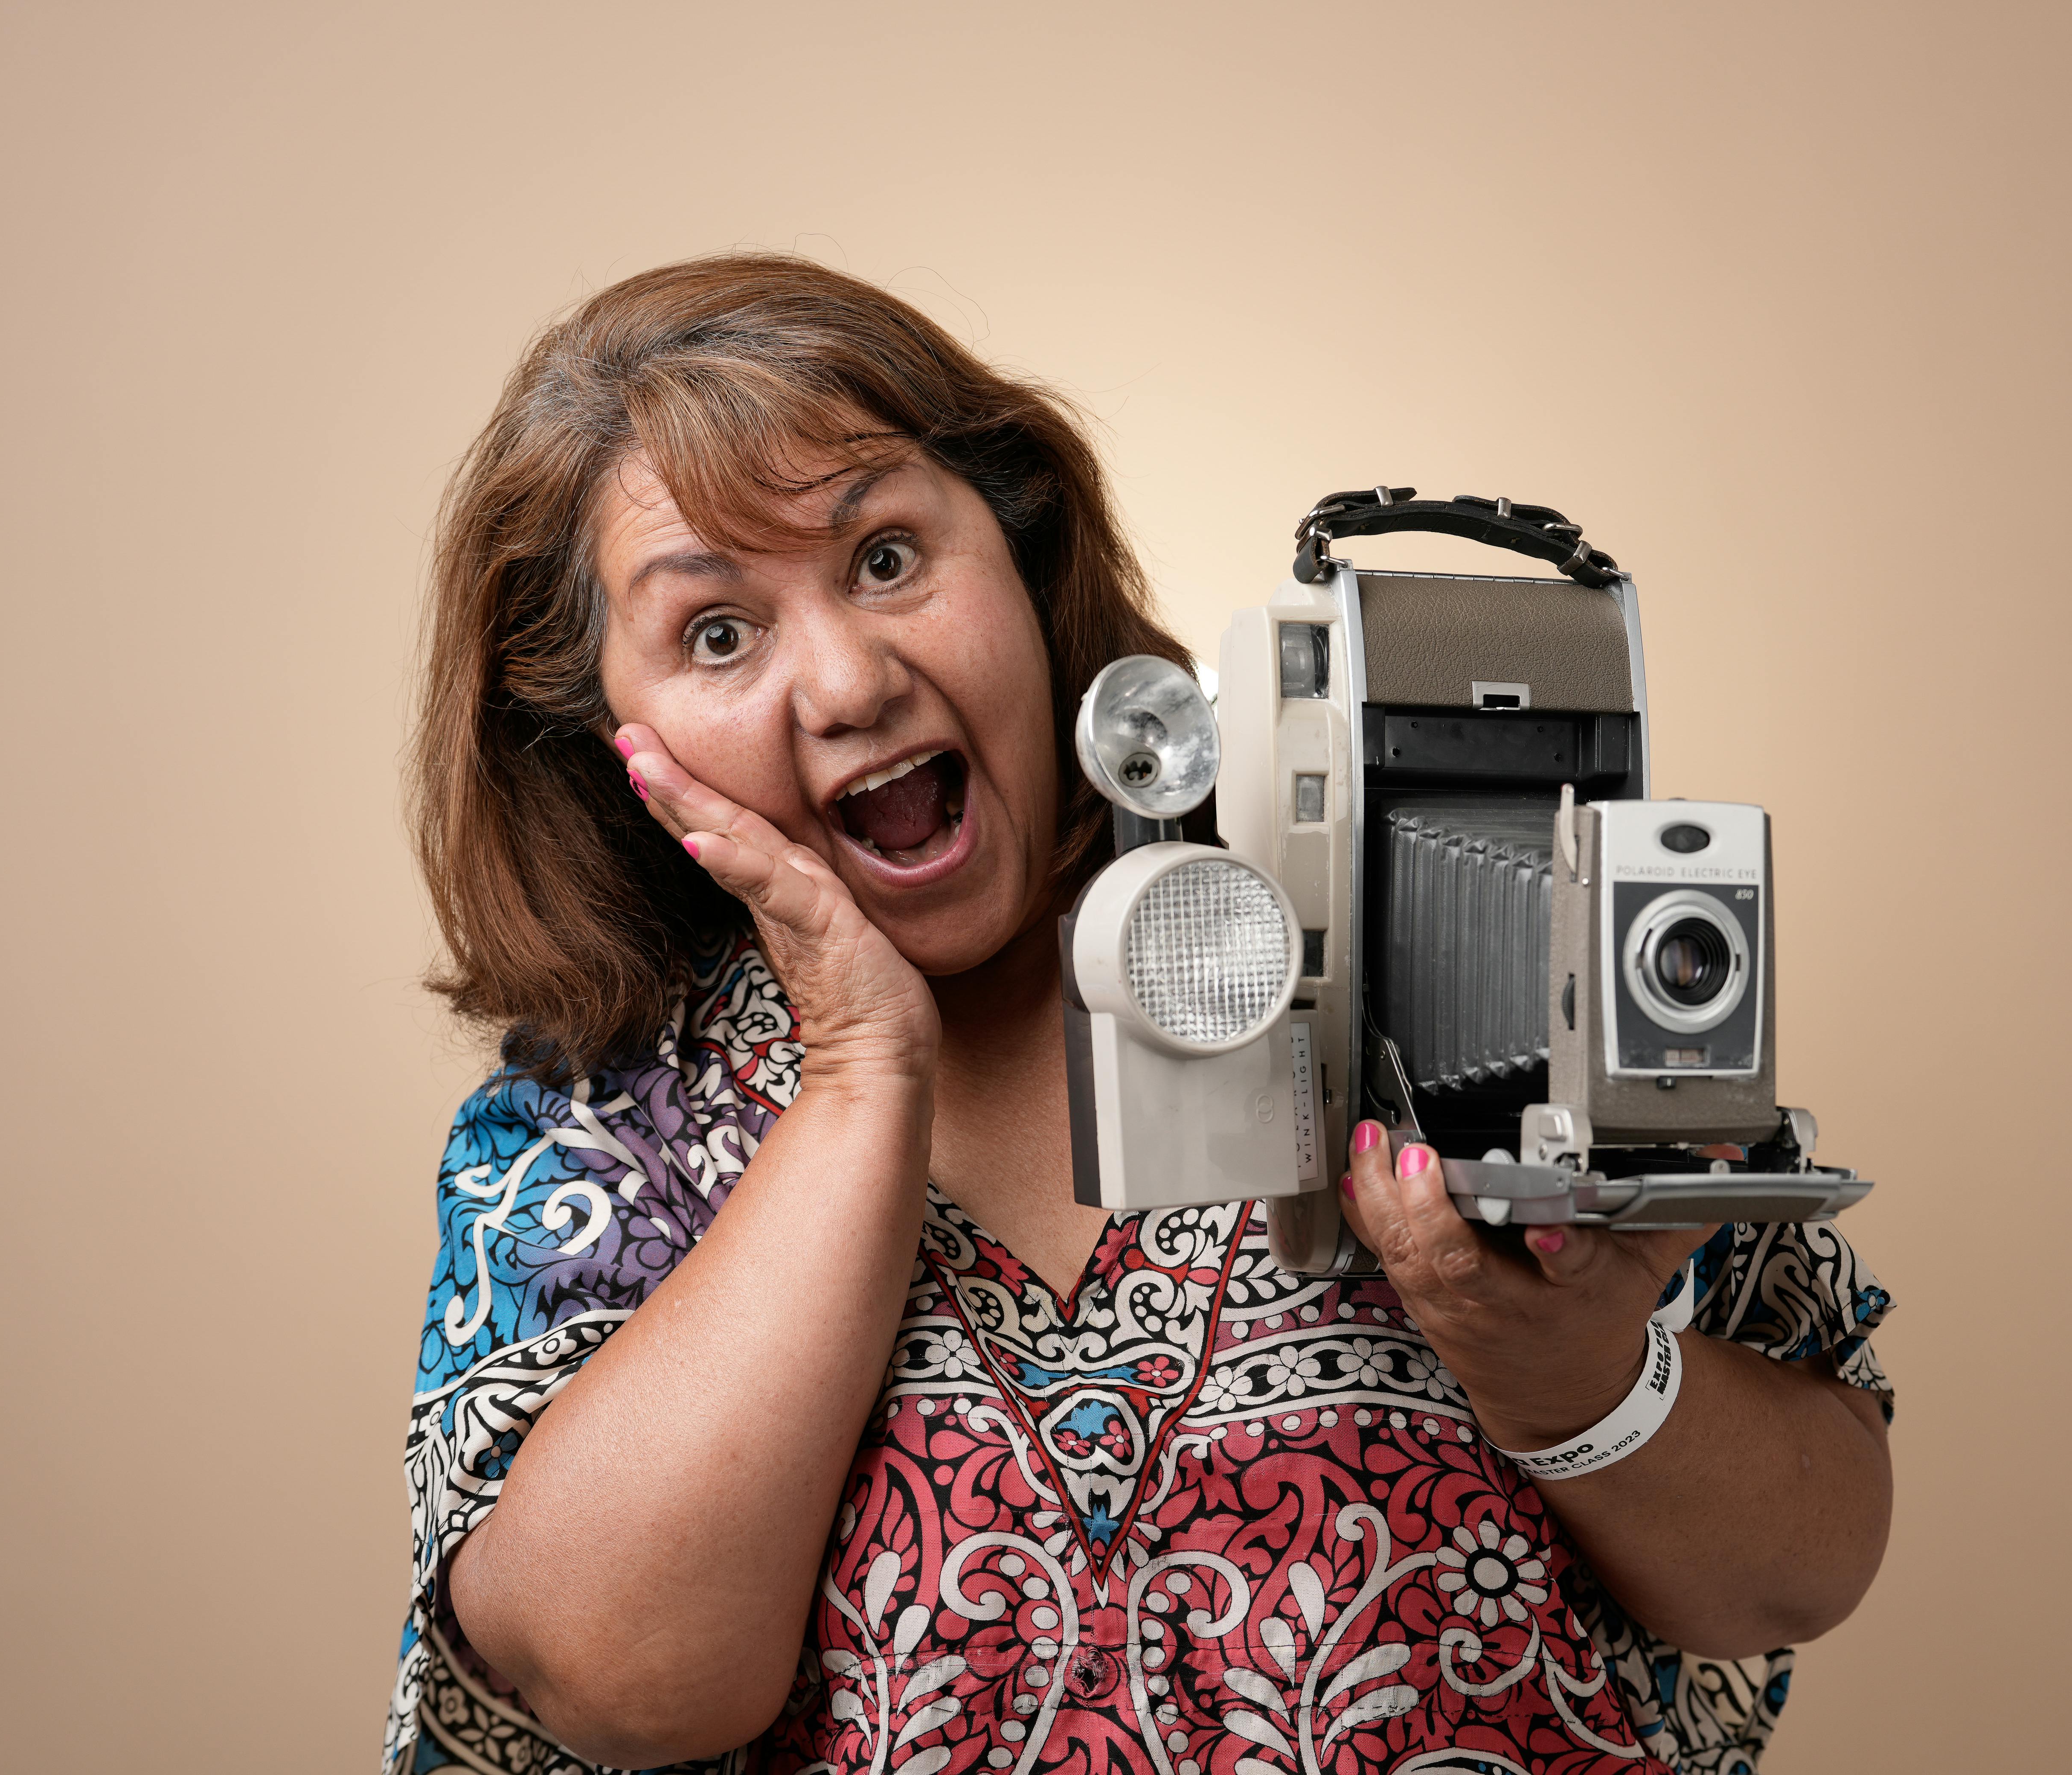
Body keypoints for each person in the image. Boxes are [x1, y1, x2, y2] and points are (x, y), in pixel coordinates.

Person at [390, 252, 1896, 1775]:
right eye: (717, 634)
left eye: (887, 557)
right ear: (604, 738)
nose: (848, 683)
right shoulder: (598, 1146)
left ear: (1023, 552)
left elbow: (1803, 1569)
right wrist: (860, 1071)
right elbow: (623, 1685)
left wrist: (1580, 1380)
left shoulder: (1418, 926)